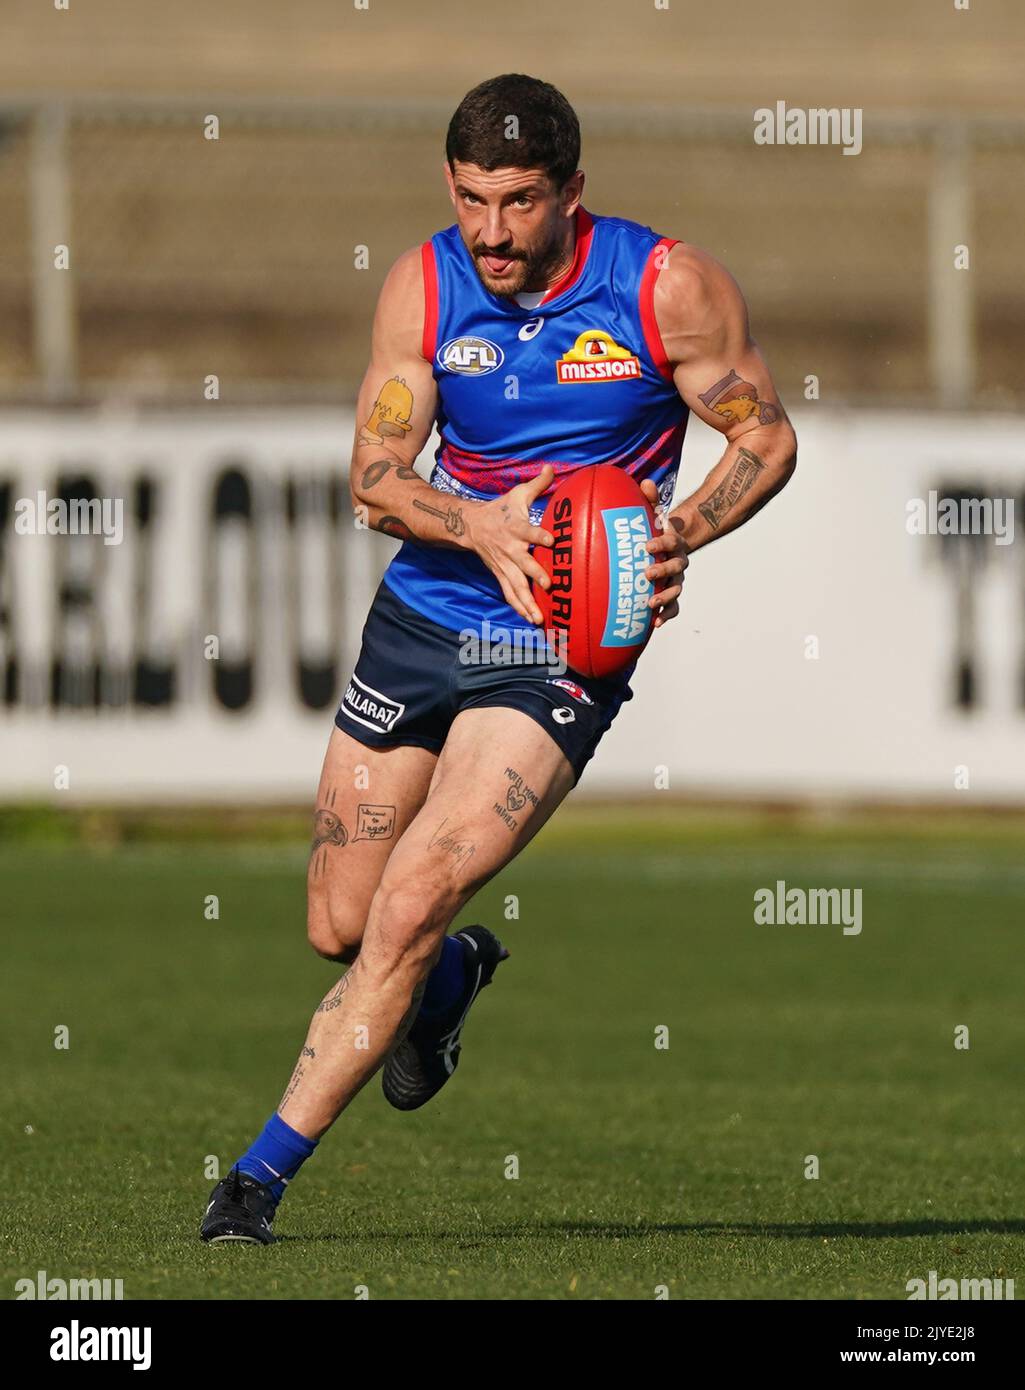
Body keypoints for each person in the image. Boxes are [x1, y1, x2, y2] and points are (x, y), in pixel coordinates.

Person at [201, 72, 796, 1244]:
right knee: (342, 922)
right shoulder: (424, 286)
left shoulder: (665, 285)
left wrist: (678, 528)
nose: (491, 231)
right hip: (424, 613)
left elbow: (763, 434)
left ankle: (252, 1184)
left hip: (560, 641)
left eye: (519, 202)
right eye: (471, 199)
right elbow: (373, 476)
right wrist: (471, 519)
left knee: (415, 892)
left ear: (572, 191)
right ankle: (442, 987)